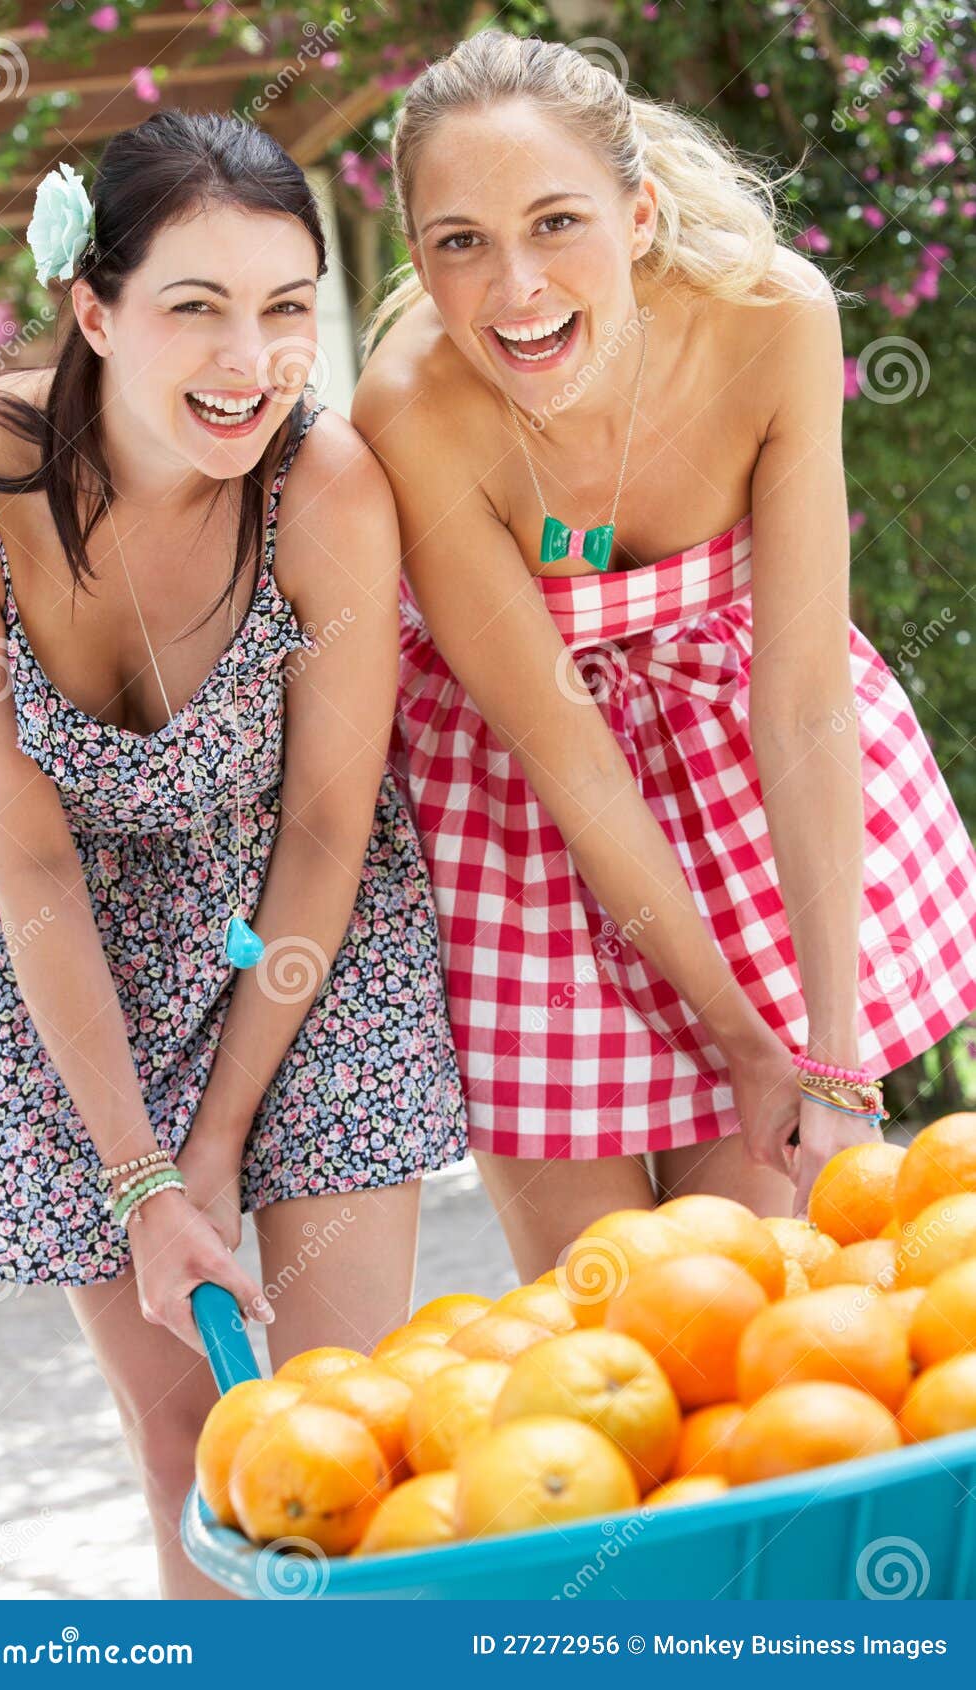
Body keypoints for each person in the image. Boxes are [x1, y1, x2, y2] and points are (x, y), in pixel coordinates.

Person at [0, 109, 466, 1598]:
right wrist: (144, 1173)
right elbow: (25, 861)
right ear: (94, 310)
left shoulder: (324, 484)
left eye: (286, 308)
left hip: (295, 933)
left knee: (342, 1440)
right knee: (195, 1454)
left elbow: (328, 822)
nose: (251, 361)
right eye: (195, 309)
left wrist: (215, 1138)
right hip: (65, 960)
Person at [351, 30, 976, 1280]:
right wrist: (741, 1040)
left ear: (635, 215)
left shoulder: (770, 318)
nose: (515, 286)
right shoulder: (408, 404)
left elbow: (798, 702)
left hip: (745, 793)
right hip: (521, 838)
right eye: (459, 242)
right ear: (419, 258)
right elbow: (569, 761)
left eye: (555, 223)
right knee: (602, 1306)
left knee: (749, 1287)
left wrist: (819, 1048)